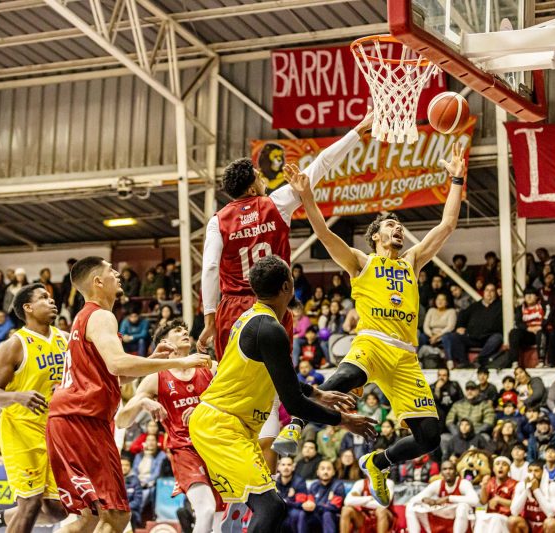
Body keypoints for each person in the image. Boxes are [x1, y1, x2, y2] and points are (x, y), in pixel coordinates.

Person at [275, 142, 467, 507]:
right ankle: (296, 423)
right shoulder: (361, 261)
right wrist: (307, 197)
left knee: (429, 437)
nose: (400, 230)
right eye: (393, 225)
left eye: (400, 226)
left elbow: (447, 224)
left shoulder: (411, 261)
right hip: (372, 342)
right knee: (343, 380)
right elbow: (326, 236)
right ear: (377, 235)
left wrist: (457, 178)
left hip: (405, 359)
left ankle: (378, 462)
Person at [197, 113, 371, 472]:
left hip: (232, 308)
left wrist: (209, 319)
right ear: (252, 186)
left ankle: (228, 468)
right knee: (274, 386)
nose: (264, 180)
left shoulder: (218, 220)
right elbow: (321, 165)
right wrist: (356, 130)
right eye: (260, 176)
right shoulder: (275, 203)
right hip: (270, 304)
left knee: (229, 388)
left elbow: (211, 268)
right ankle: (268, 468)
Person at [189, 256, 374, 532]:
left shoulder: (251, 319)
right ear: (288, 286)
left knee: (248, 510)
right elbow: (293, 402)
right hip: (221, 426)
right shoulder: (270, 329)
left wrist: (318, 393)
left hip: (228, 425)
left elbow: (279, 379)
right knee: (271, 507)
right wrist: (343, 420)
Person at [45, 257, 211, 531]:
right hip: (82, 420)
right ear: (98, 281)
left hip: (70, 419)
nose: (117, 274)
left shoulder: (84, 318)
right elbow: (118, 363)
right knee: (116, 515)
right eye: (111, 271)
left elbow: (112, 376)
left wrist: (150, 359)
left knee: (91, 517)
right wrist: (177, 362)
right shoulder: (100, 315)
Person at [0, 284, 69, 533]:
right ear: (28, 307)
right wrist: (17, 396)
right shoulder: (13, 345)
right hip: (21, 430)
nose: (51, 300)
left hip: (55, 431)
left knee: (59, 509)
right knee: (31, 503)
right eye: (43, 298)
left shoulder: (65, 339)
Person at [115, 319, 221, 533]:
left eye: (185, 330)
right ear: (165, 342)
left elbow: (235, 400)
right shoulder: (156, 377)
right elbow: (121, 421)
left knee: (221, 516)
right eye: (177, 330)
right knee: (206, 509)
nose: (184, 332)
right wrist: (142, 401)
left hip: (218, 445)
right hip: (185, 449)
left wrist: (205, 408)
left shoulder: (210, 366)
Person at [405, 460, 479, 533]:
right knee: (411, 506)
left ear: (456, 472)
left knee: (463, 507)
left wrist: (448, 498)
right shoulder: (438, 484)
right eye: (445, 469)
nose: (448, 471)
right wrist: (424, 499)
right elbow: (414, 499)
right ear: (441, 473)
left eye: (450, 469)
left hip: (460, 517)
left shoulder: (463, 483)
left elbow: (475, 500)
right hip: (444, 514)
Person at [442, 283, 504, 368]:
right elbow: (462, 315)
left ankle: (479, 360)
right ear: (484, 292)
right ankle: (463, 362)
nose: (489, 293)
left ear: (495, 293)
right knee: (449, 336)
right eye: (487, 290)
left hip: (488, 338)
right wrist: (460, 326)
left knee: (498, 337)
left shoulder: (501, 306)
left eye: (492, 290)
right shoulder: (476, 306)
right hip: (472, 336)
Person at [508, 460, 555, 533]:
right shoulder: (521, 485)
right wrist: (526, 490)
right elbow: (514, 511)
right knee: (512, 520)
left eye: (536, 471)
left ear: (543, 473)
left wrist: (536, 490)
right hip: (528, 526)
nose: (532, 474)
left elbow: (551, 513)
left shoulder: (552, 486)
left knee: (551, 523)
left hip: (545, 526)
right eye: (530, 471)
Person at [474, 456, 518, 533]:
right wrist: (483, 487)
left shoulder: (515, 484)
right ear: (494, 469)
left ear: (508, 469)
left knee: (495, 519)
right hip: (491, 515)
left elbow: (516, 505)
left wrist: (498, 500)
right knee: (480, 518)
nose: (500, 466)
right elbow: (483, 502)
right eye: (497, 464)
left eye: (504, 464)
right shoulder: (490, 481)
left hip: (507, 518)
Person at [508, 288, 550, 367]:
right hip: (528, 333)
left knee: (541, 333)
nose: (529, 297)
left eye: (531, 294)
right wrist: (528, 328)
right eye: (527, 295)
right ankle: (514, 362)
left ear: (537, 297)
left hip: (542, 331)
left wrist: (540, 327)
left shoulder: (544, 306)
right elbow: (518, 322)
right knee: (513, 332)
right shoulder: (520, 308)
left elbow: (548, 317)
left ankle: (541, 361)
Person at [275, 456, 307, 532]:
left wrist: (287, 500)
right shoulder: (274, 482)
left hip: (292, 511)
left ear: (293, 467)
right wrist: (290, 499)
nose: (286, 467)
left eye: (289, 465)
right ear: (278, 467)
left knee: (298, 514)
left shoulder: (300, 482)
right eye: (283, 465)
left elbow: (300, 503)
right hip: (279, 511)